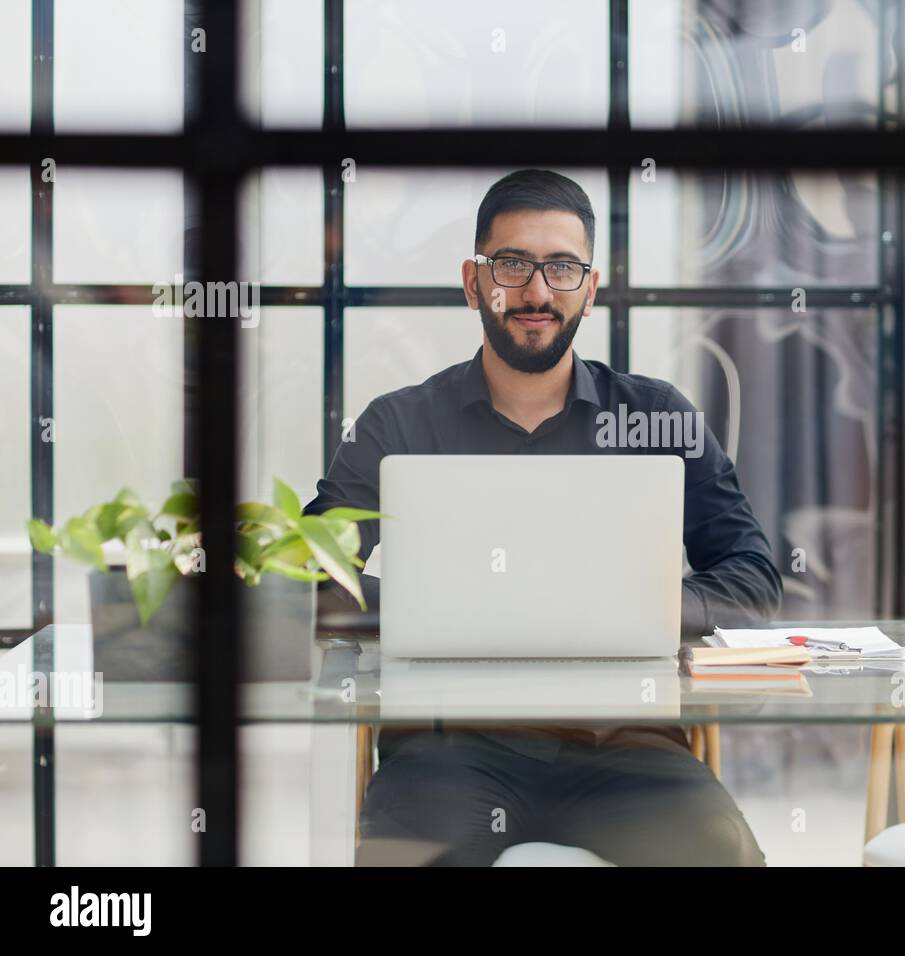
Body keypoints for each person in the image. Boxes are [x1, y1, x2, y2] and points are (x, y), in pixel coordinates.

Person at [305, 168, 781, 866]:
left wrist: (634, 609)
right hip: (447, 749)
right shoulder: (397, 423)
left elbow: (755, 583)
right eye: (512, 265)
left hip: (625, 749)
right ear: (473, 283)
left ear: (589, 290)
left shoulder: (655, 417)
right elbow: (311, 575)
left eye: (561, 268)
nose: (536, 292)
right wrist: (440, 610)